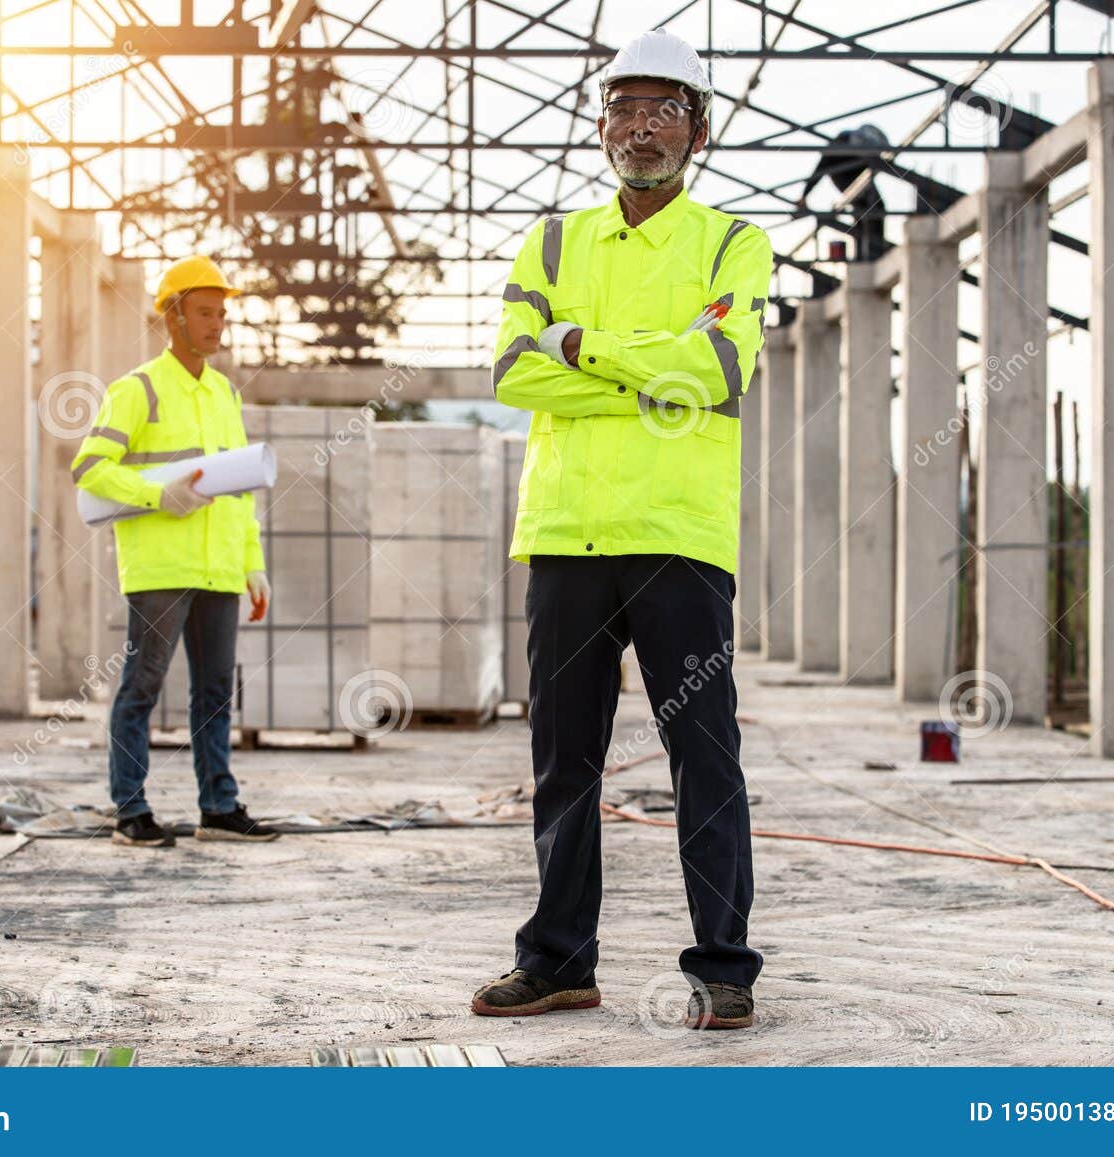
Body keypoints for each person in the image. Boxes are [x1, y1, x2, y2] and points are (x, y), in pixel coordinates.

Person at [474, 28, 770, 1031]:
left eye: (666, 107)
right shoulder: (551, 242)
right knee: (563, 761)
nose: (642, 124)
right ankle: (557, 959)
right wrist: (651, 367)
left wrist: (582, 346)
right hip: (565, 536)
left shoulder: (731, 242)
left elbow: (721, 371)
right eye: (625, 106)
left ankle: (722, 965)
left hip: (677, 536)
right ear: (600, 125)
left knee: (704, 754)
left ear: (698, 130)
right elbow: (514, 372)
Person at [70, 255, 277, 848]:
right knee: (142, 687)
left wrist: (252, 565)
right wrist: (157, 495)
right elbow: (89, 468)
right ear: (173, 317)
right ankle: (130, 810)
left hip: (218, 569)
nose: (217, 325)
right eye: (205, 313)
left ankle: (219, 807)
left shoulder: (224, 395)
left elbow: (238, 490)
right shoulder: (137, 390)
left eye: (222, 314)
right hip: (161, 565)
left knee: (215, 694)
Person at [796, 123, 891, 261]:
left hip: (860, 174)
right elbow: (819, 171)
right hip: (842, 175)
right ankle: (868, 252)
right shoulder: (839, 145)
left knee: (875, 206)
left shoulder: (866, 143)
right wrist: (805, 195)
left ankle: (874, 249)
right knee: (863, 207)